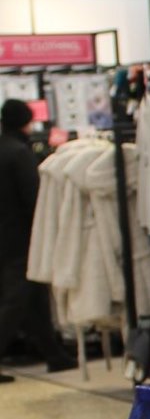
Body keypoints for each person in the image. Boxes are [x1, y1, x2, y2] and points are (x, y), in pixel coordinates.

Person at [0, 99, 73, 379]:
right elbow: (34, 198)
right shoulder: (19, 153)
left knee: (33, 298)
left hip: (5, 236)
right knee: (16, 300)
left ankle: (54, 354)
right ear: (25, 122)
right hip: (21, 237)